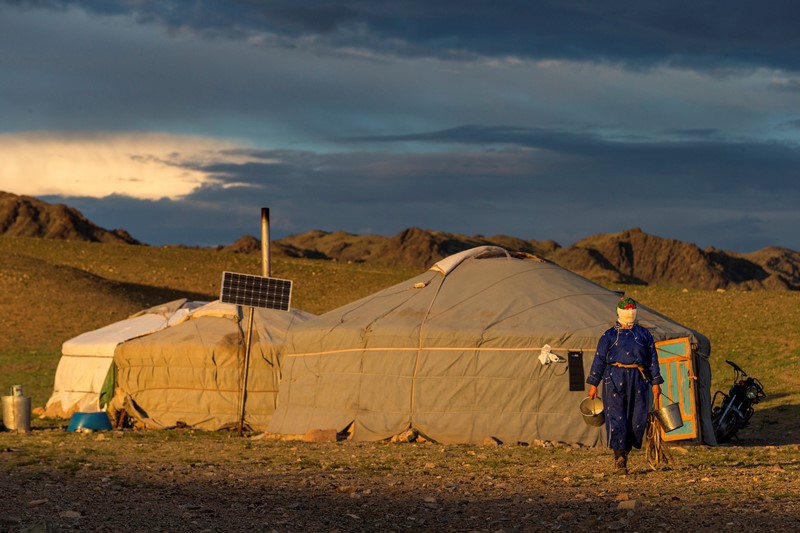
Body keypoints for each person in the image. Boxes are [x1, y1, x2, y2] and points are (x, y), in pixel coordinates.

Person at [586, 297, 663, 474]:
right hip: (614, 378)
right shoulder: (609, 335)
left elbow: (652, 359)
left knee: (637, 419)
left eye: (632, 309)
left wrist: (656, 382)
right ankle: (619, 458)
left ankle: (625, 452)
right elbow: (599, 359)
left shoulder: (644, 334)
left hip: (639, 378)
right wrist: (593, 383)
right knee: (617, 417)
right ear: (620, 312)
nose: (629, 313)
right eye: (626, 310)